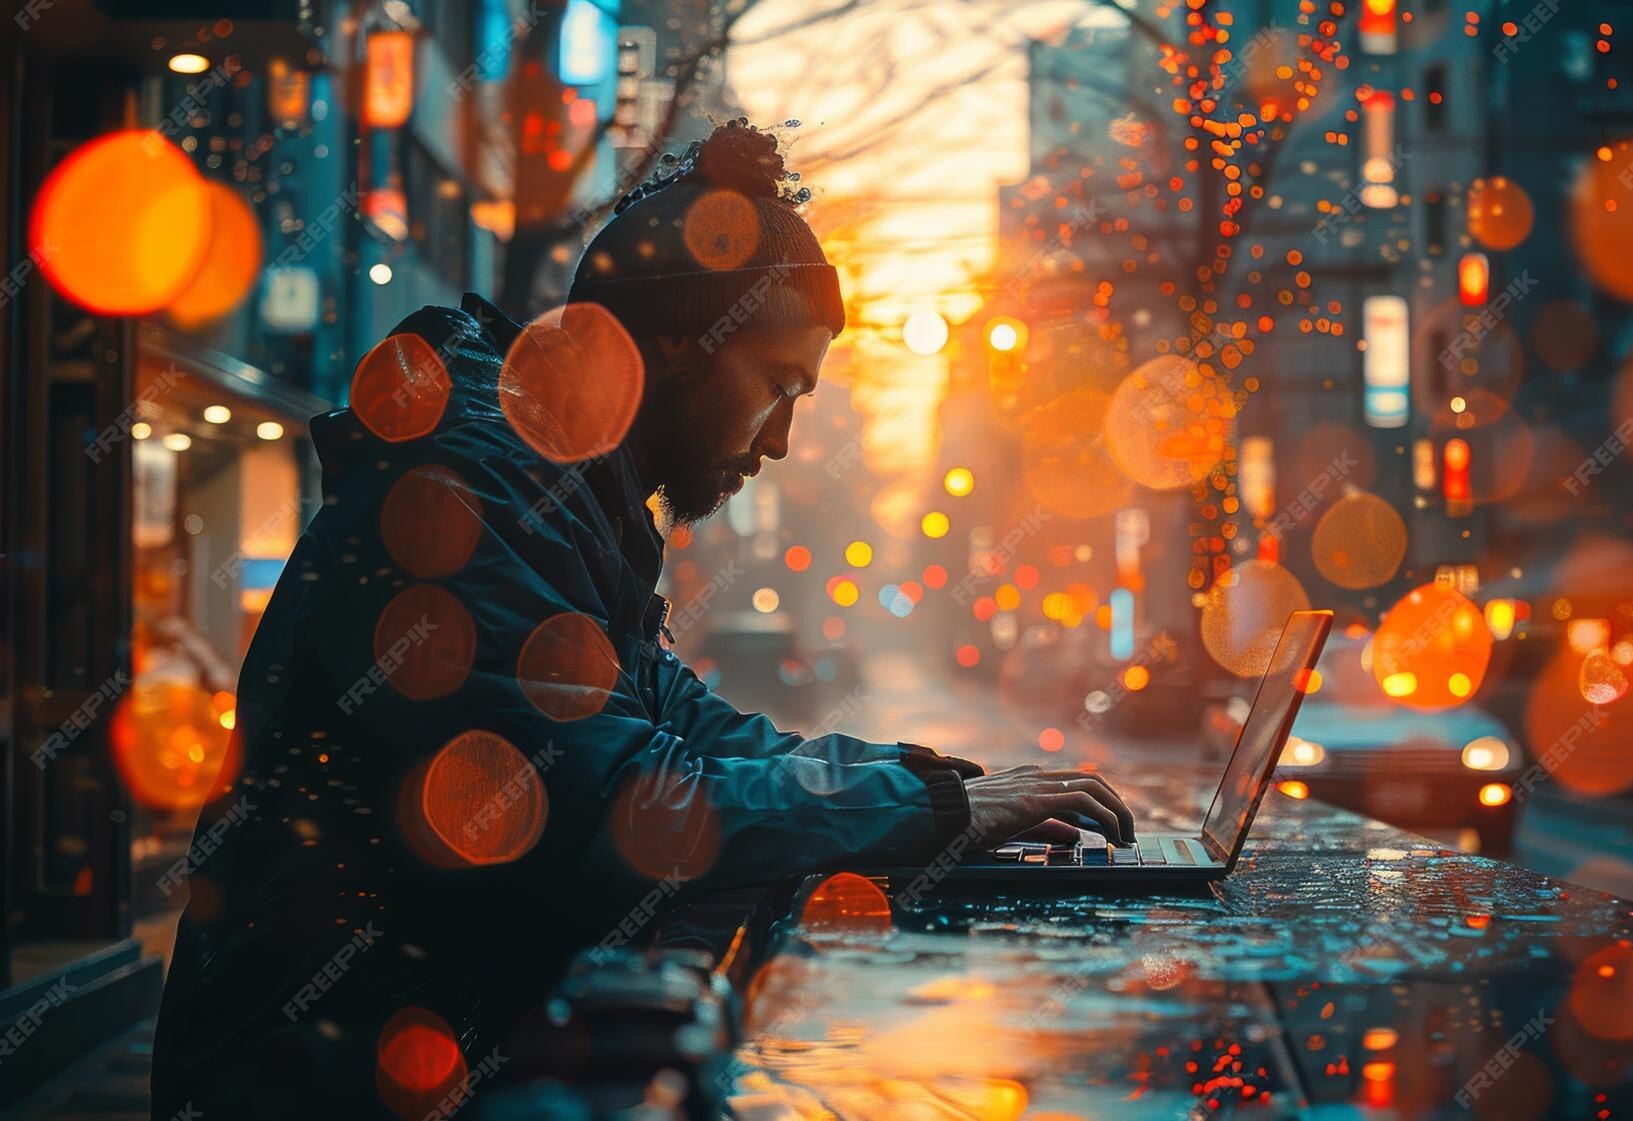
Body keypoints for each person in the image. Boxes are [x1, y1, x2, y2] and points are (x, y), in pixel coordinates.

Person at [151, 118, 1133, 1120]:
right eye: (777, 386)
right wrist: (924, 809)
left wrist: (940, 788)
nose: (785, 439)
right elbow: (612, 807)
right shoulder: (475, 491)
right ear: (677, 345)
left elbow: (697, 735)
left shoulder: (566, 498)